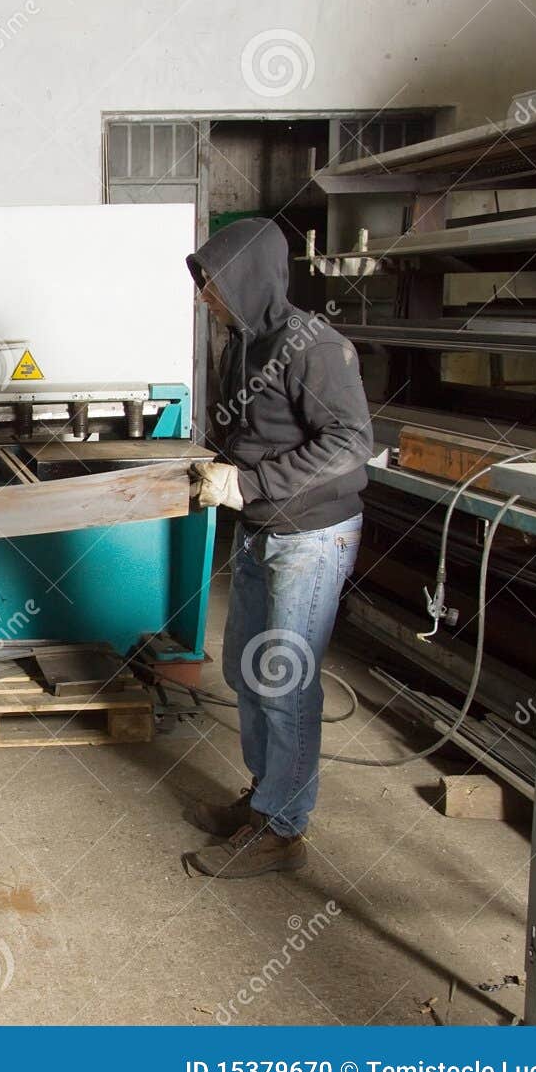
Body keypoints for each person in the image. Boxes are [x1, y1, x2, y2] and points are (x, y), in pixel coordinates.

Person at [182, 217, 373, 879]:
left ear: (247, 277)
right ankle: (266, 797)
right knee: (245, 668)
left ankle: (283, 828)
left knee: (283, 681)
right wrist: (211, 464)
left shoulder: (315, 347)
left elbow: (350, 441)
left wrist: (249, 484)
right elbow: (249, 433)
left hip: (312, 535)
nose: (205, 295)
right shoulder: (241, 344)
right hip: (262, 527)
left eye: (212, 282)